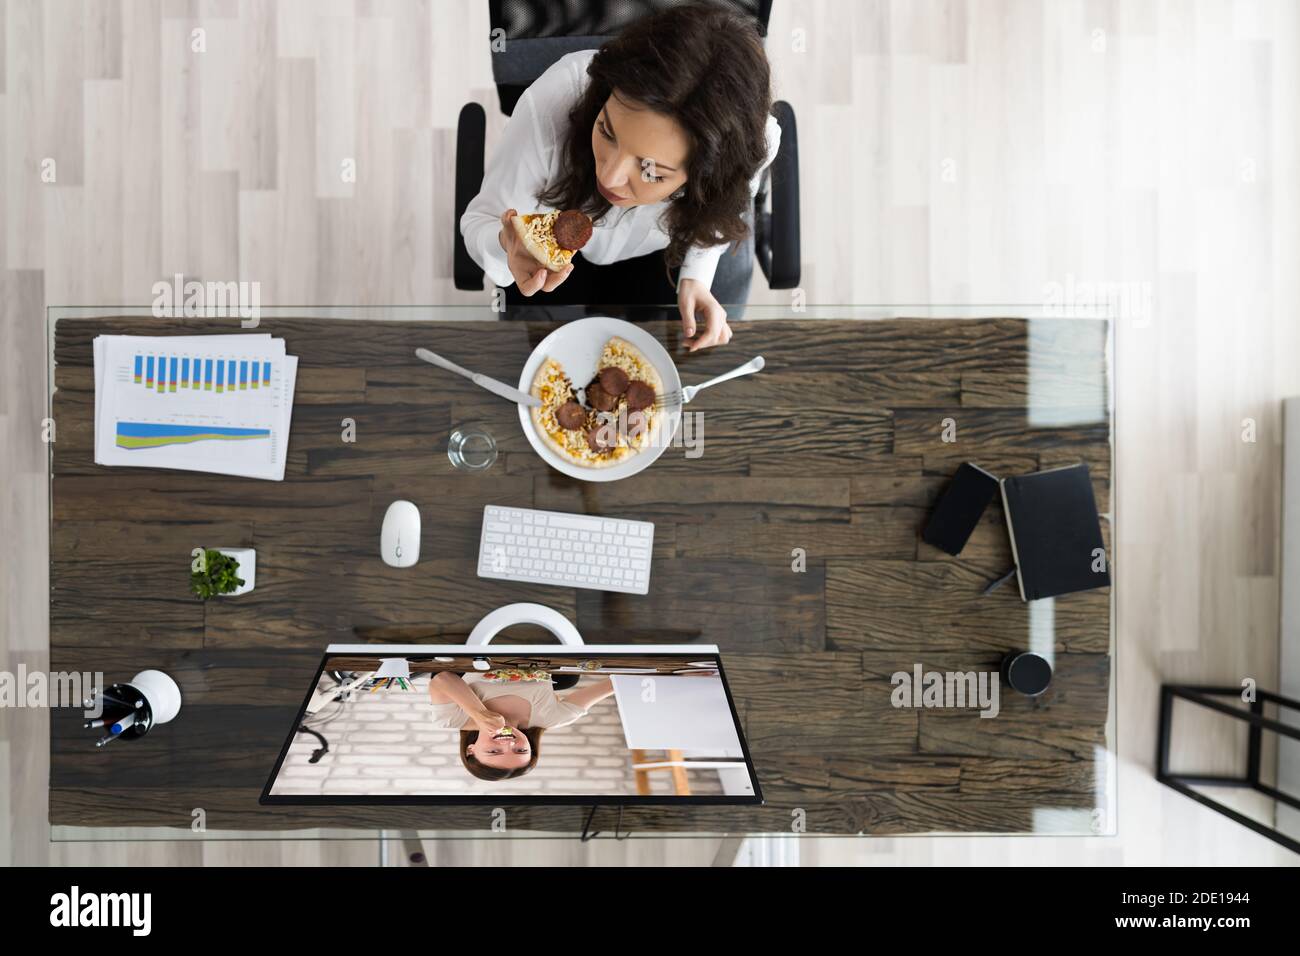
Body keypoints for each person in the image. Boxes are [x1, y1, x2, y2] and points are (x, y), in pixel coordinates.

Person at [460, 2, 780, 351]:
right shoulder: (555, 100)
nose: (609, 177)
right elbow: (483, 219)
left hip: (665, 248)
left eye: (650, 169)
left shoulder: (753, 145)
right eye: (607, 131)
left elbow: (724, 207)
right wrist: (506, 244)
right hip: (557, 251)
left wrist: (697, 275)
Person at [428, 670, 615, 781]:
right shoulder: (553, 718)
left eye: (494, 752)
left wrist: (479, 714)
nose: (508, 744)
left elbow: (442, 678)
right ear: (530, 747)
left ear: (471, 749)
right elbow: (613, 684)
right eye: (520, 751)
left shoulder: (452, 719)